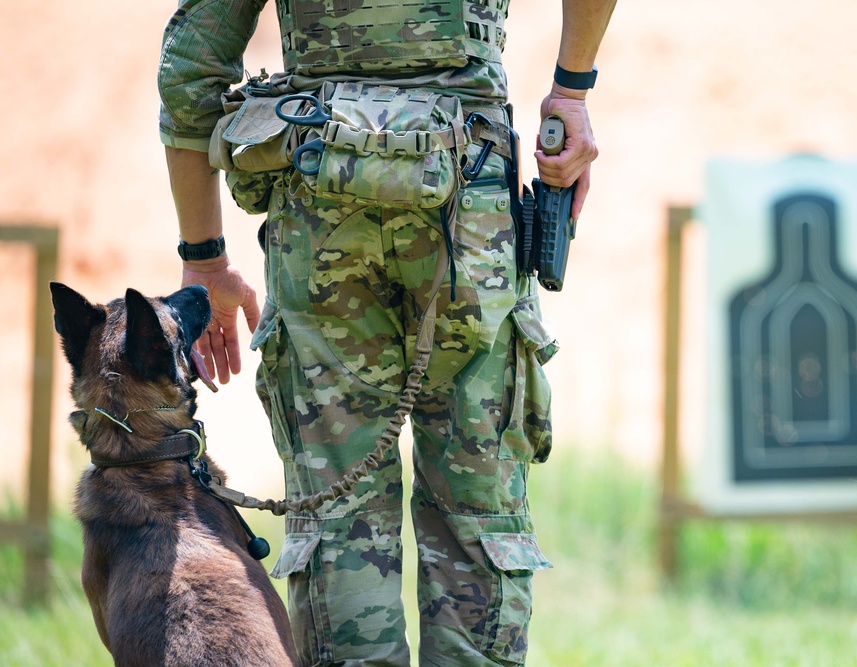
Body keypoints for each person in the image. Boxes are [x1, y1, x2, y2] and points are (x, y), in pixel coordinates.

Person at [159, 2, 616, 665]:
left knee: (337, 520)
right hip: (469, 209)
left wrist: (204, 256)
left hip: (318, 208)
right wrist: (572, 92)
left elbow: (191, 64)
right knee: (477, 517)